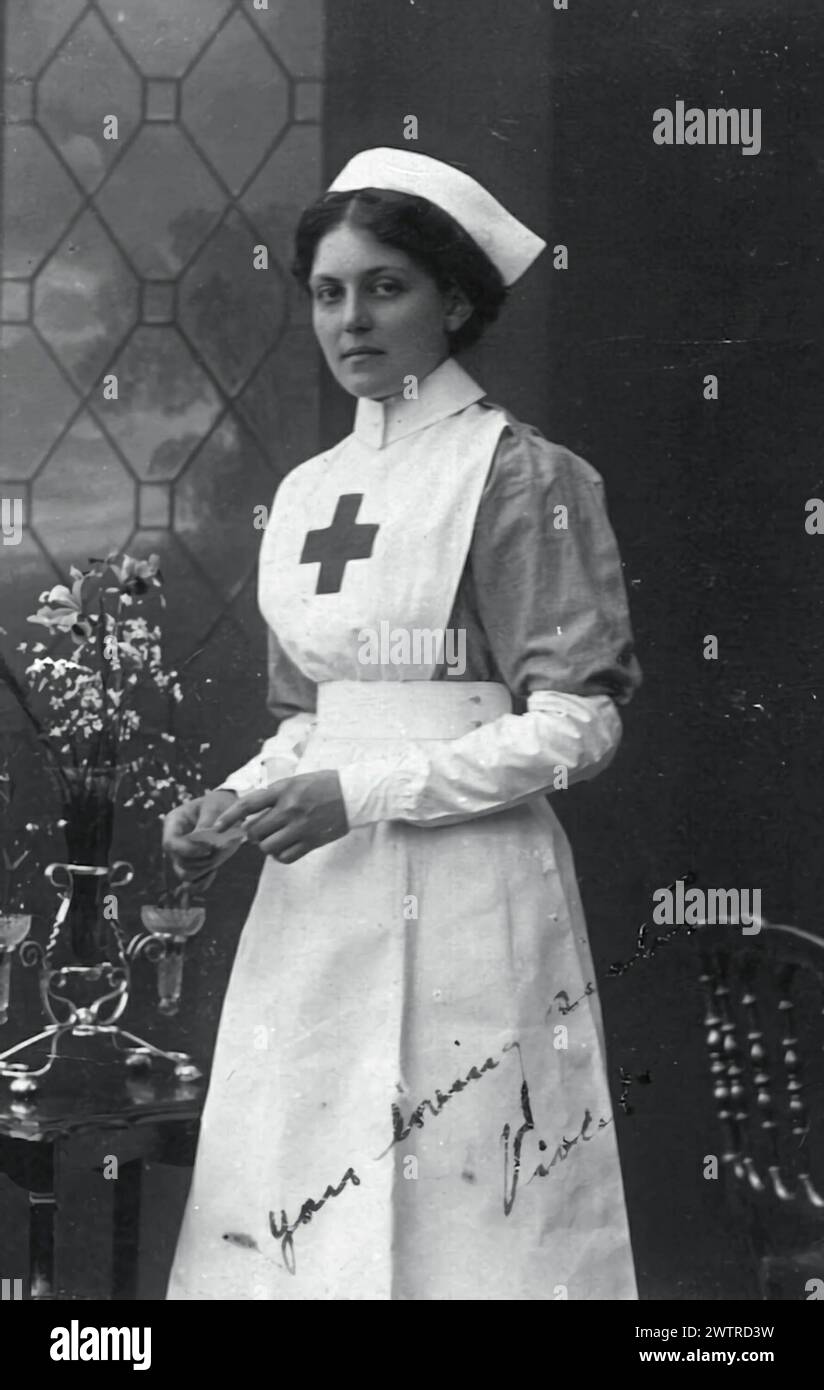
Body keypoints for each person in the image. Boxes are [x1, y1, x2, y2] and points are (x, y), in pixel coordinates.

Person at [163, 147, 643, 1301]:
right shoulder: (312, 491)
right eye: (328, 291)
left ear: (457, 300)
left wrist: (361, 795)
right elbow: (309, 717)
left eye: (385, 286)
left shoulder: (522, 476)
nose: (350, 317)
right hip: (316, 901)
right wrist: (236, 798)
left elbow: (578, 726)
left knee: (468, 1215)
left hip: (472, 887)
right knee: (301, 1208)